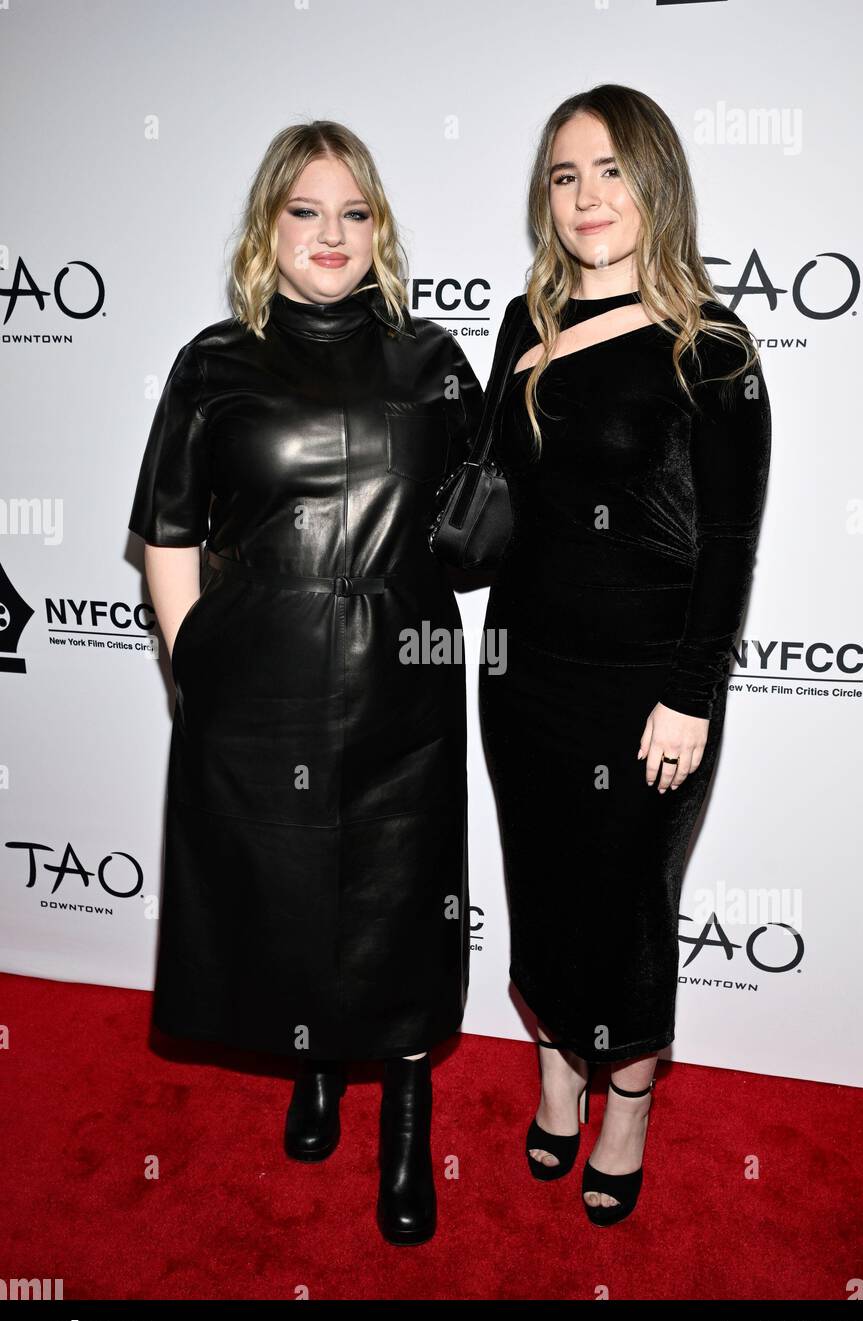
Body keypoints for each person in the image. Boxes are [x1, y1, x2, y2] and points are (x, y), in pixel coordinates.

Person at [128, 121, 483, 1244]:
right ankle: (315, 1070)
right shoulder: (212, 361)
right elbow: (169, 534)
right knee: (285, 903)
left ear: (377, 229)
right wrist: (193, 667)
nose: (329, 234)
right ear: (268, 225)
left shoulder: (432, 360)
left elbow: (479, 534)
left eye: (353, 212)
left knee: (399, 915)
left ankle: (407, 1121)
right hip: (260, 685)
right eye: (305, 210)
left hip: (402, 689)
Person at [478, 85, 772, 1226]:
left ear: (655, 186)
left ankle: (631, 1102)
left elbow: (732, 543)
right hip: (522, 672)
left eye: (609, 171)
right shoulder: (520, 325)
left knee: (632, 902)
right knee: (542, 884)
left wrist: (690, 696)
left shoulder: (713, 343)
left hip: (647, 686)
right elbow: (488, 494)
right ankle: (558, 1074)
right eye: (565, 175)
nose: (587, 197)